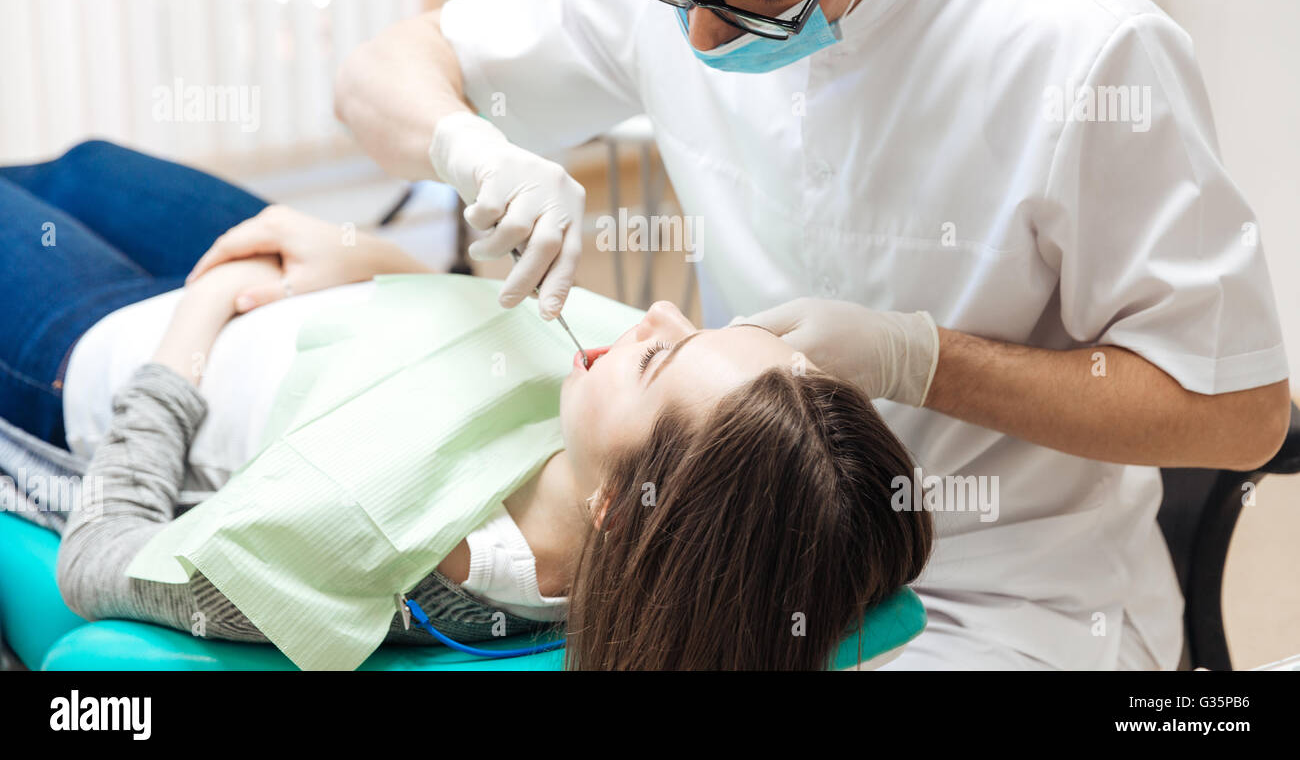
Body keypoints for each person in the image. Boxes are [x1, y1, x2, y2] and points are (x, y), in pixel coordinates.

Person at [332, 0, 1292, 669]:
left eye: (755, 6)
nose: (699, 38)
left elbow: (1240, 417)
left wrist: (918, 361)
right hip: (739, 571)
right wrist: (472, 152)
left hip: (1006, 602)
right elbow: (377, 76)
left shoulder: (1085, 51)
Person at [0, 140, 932, 670]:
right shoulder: (633, 500)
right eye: (691, 326)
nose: (652, 312)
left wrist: (195, 324)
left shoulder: (377, 553)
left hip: (121, 342)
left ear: (620, 505)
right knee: (84, 168)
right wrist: (369, 255)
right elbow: (460, 359)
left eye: (662, 360)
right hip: (327, 284)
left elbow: (96, 563)